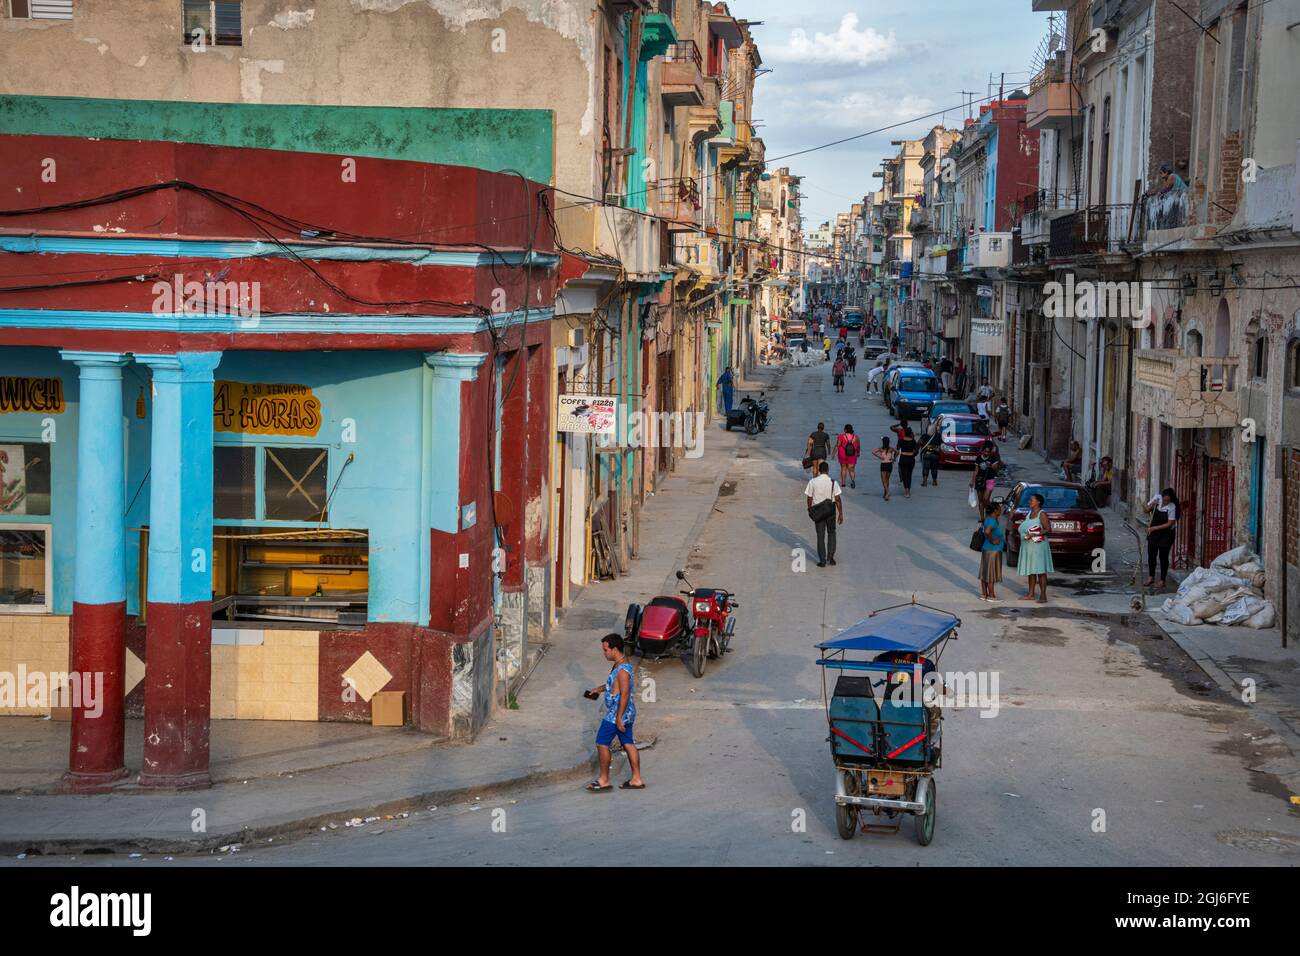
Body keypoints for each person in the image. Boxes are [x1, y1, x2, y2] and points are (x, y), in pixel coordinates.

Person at [585, 634, 643, 792]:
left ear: (615, 649)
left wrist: (618, 718)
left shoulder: (623, 671)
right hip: (627, 712)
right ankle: (636, 779)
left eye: (606, 650)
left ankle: (604, 780)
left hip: (617, 714)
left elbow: (624, 694)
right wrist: (599, 689)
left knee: (601, 743)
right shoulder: (621, 664)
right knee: (628, 743)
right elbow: (613, 684)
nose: (604, 653)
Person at [804, 460, 844, 567]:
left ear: (819, 470)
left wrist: (810, 510)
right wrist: (840, 513)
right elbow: (838, 499)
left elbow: (809, 497)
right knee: (832, 532)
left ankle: (822, 560)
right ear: (828, 470)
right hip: (830, 511)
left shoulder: (813, 481)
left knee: (820, 536)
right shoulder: (833, 482)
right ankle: (830, 557)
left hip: (818, 512)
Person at [1017, 492, 1054, 603]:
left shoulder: (1041, 514)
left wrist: (1035, 534)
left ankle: (1043, 595)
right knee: (1031, 570)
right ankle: (1031, 594)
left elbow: (1048, 529)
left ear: (1038, 502)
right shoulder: (1030, 513)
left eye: (1031, 500)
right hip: (1029, 546)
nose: (1029, 501)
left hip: (1038, 546)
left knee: (1040, 570)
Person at [1142, 487, 1179, 591]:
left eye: (1168, 500)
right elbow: (1145, 510)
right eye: (1165, 500)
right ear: (1162, 497)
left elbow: (1170, 523)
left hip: (1166, 535)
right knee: (1151, 556)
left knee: (1163, 557)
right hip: (1153, 534)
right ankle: (1151, 577)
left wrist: (1153, 528)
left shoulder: (1172, 507)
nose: (1166, 502)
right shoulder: (1157, 498)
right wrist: (1151, 504)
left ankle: (1162, 580)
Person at [980, 500, 1005, 602]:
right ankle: (991, 595)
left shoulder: (988, 519)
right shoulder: (992, 521)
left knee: (985, 572)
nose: (1001, 510)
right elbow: (987, 531)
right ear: (995, 510)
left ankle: (984, 594)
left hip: (987, 549)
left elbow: (987, 531)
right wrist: (992, 540)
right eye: (999, 508)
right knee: (991, 573)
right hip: (993, 550)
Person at [971, 441, 1002, 512]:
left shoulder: (993, 458)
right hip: (980, 480)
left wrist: (990, 465)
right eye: (985, 451)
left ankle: (993, 510)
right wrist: (972, 481)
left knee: (985, 499)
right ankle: (982, 518)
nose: (986, 453)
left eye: (988, 452)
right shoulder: (978, 458)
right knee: (981, 500)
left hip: (990, 480)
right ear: (982, 450)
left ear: (991, 451)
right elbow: (976, 471)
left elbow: (996, 468)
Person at [895, 425, 918, 498]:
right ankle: (908, 490)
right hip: (911, 459)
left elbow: (897, 449)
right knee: (909, 474)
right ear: (910, 433)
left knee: (904, 475)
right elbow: (916, 451)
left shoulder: (901, 440)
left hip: (903, 458)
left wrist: (894, 458)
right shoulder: (913, 441)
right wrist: (912, 455)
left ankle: (906, 490)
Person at [836, 423, 860, 488]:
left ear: (845, 430)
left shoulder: (841, 436)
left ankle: (843, 483)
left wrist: (834, 453)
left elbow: (838, 445)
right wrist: (858, 453)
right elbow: (858, 447)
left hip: (842, 455)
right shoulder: (856, 437)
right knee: (851, 469)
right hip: (852, 455)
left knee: (843, 469)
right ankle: (852, 480)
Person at [873, 435, 897, 501]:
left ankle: (888, 492)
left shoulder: (881, 449)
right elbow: (897, 452)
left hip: (883, 465)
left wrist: (879, 457)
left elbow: (873, 452)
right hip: (889, 464)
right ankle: (885, 493)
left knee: (883, 481)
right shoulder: (891, 449)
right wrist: (894, 458)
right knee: (887, 480)